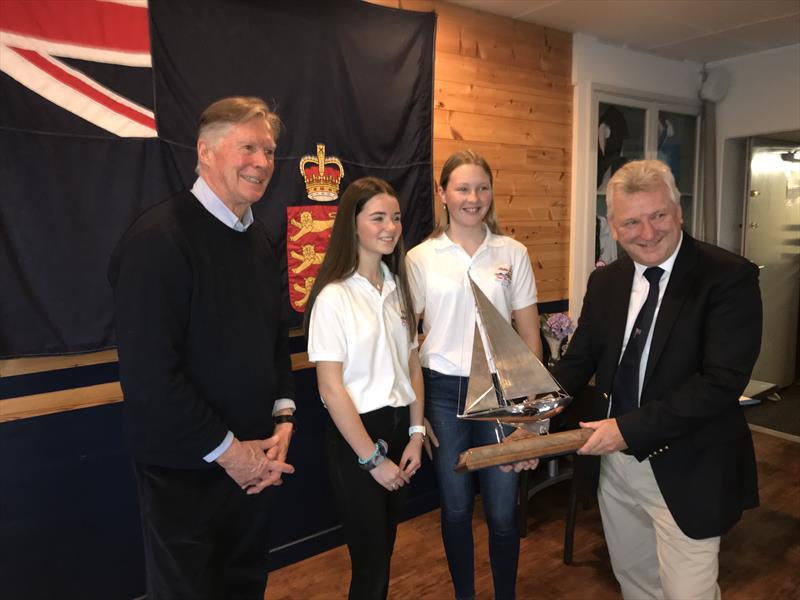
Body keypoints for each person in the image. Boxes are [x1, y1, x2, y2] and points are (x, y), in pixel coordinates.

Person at [108, 96, 296, 600]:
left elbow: (274, 339)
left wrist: (283, 419)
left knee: (244, 586)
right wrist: (230, 453)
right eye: (248, 147)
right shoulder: (158, 240)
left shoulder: (258, 242)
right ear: (205, 151)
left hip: (255, 463)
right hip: (185, 474)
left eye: (270, 151)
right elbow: (151, 377)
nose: (261, 162)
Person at [550, 159, 762, 599]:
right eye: (631, 221)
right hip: (614, 466)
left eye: (658, 216)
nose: (646, 233)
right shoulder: (606, 281)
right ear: (613, 225)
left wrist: (625, 430)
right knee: (636, 581)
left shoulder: (728, 276)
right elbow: (578, 362)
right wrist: (533, 416)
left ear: (678, 211)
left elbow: (721, 383)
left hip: (689, 465)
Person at [406, 150, 542, 600]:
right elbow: (410, 342)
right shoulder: (420, 258)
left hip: (501, 393)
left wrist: (532, 417)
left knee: (503, 512)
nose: (473, 197)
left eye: (481, 188)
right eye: (462, 188)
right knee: (457, 509)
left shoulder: (512, 252)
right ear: (443, 193)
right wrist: (417, 413)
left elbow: (529, 336)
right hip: (443, 394)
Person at [304, 177, 425, 600]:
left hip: (397, 431)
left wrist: (415, 433)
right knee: (370, 563)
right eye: (378, 217)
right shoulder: (334, 297)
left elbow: (411, 364)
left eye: (395, 217)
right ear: (352, 224)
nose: (390, 226)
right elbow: (330, 388)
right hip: (357, 439)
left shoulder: (398, 288)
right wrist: (373, 459)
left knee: (384, 554)